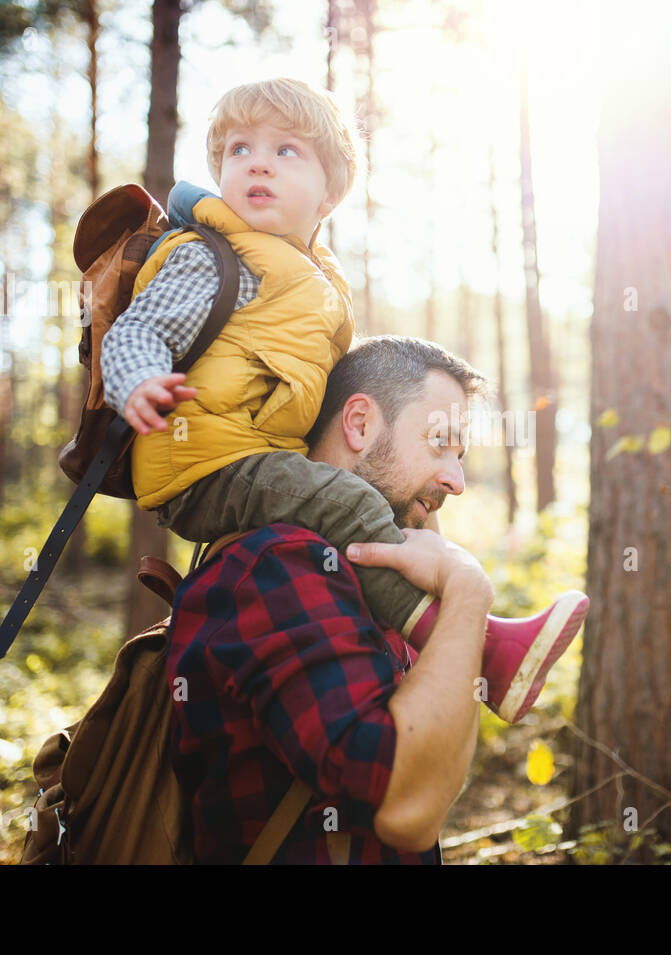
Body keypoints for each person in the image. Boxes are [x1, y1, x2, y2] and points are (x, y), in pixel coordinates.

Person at [99, 77, 586, 726]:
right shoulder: (210, 256)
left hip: (251, 455)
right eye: (239, 149)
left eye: (286, 150)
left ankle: (472, 645)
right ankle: (481, 649)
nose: (259, 161)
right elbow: (140, 329)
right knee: (348, 499)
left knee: (382, 508)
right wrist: (137, 379)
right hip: (202, 464)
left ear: (330, 194)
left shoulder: (315, 282)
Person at [167, 337, 546, 863]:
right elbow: (408, 808)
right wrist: (467, 590)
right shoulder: (280, 565)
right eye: (440, 443)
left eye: (460, 456)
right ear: (360, 423)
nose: (456, 481)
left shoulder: (362, 575)